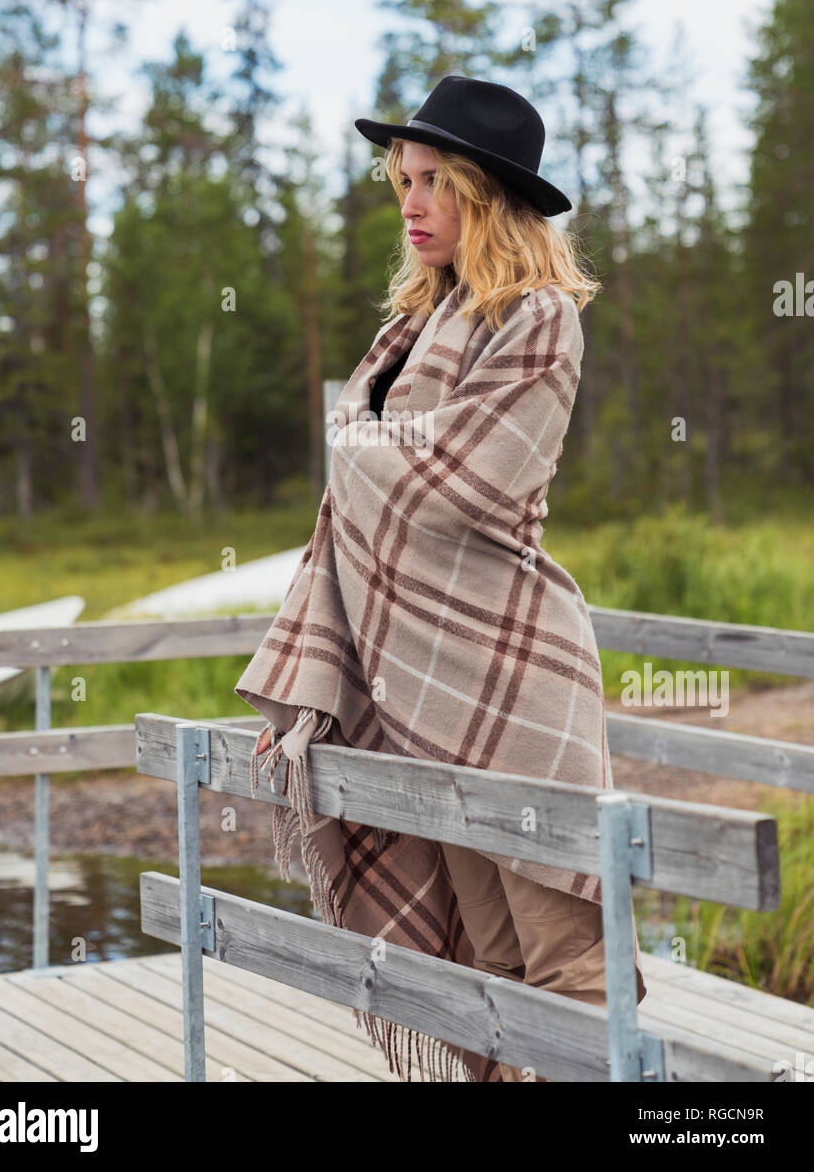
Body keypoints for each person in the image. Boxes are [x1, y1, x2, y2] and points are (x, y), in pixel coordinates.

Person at [238, 75, 647, 1083]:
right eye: (404, 181)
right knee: (486, 968)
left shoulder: (540, 319)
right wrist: (307, 691)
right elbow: (344, 528)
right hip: (421, 699)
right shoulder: (409, 332)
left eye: (436, 182)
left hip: (517, 680)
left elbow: (459, 484)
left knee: (566, 966)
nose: (412, 203)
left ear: (487, 195)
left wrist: (353, 435)